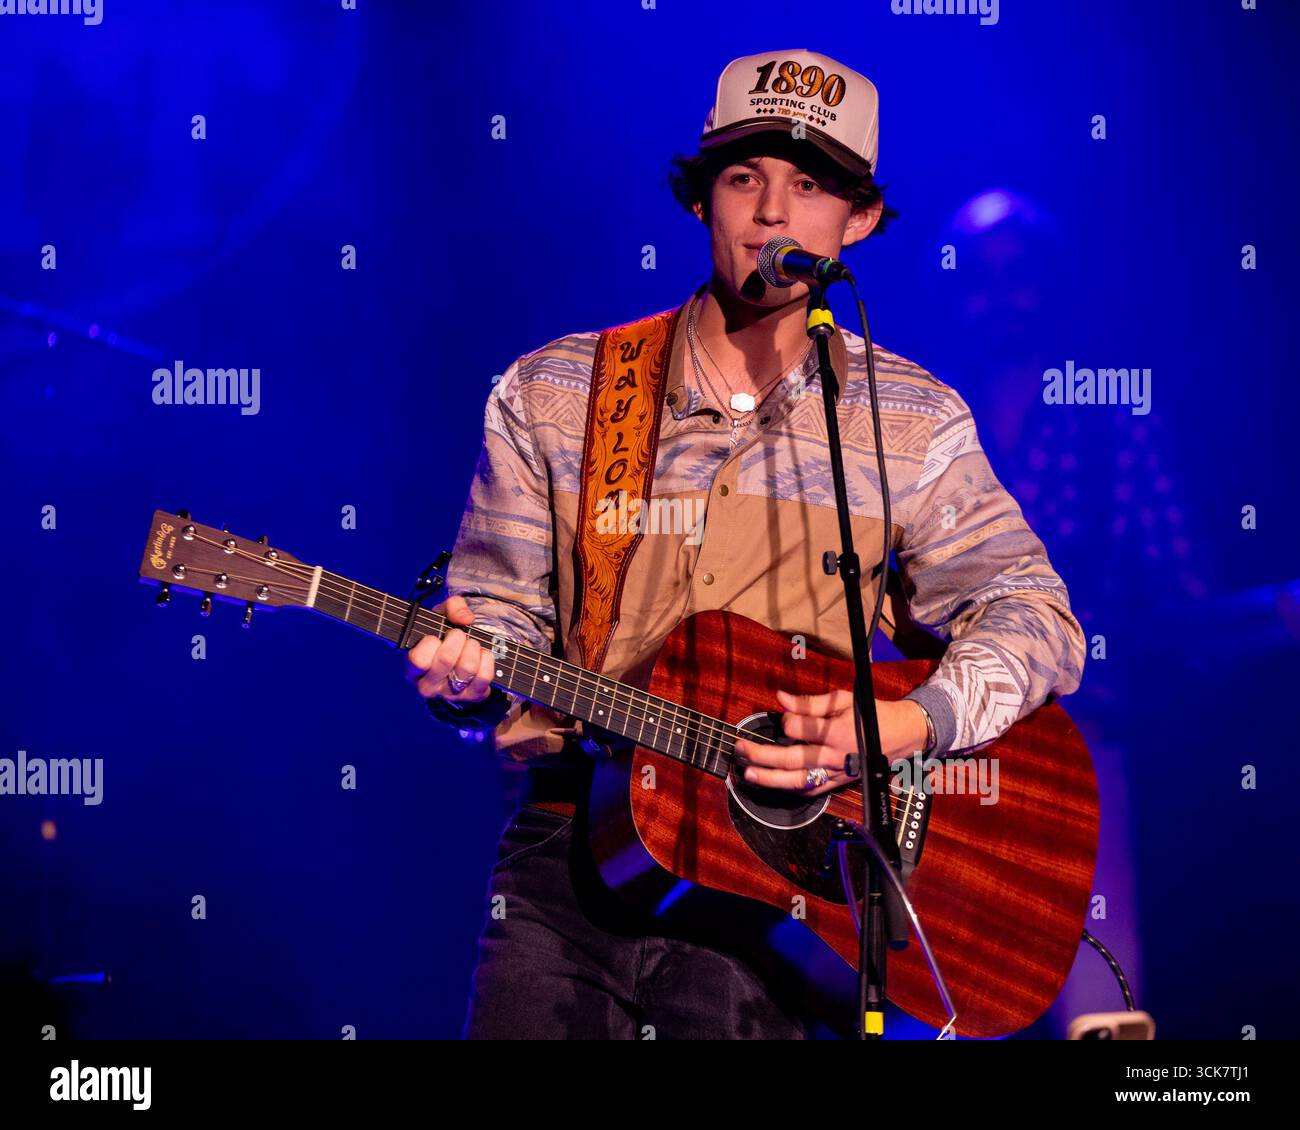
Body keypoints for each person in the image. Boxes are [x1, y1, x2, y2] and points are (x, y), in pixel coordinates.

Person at [406, 49, 1086, 1039]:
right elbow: (498, 614)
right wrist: (467, 666)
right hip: (568, 862)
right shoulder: (556, 393)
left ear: (857, 223)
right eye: (743, 178)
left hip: (785, 888)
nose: (771, 213)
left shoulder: (913, 421)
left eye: (808, 186)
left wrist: (909, 721)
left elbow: (1037, 619)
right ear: (701, 203)